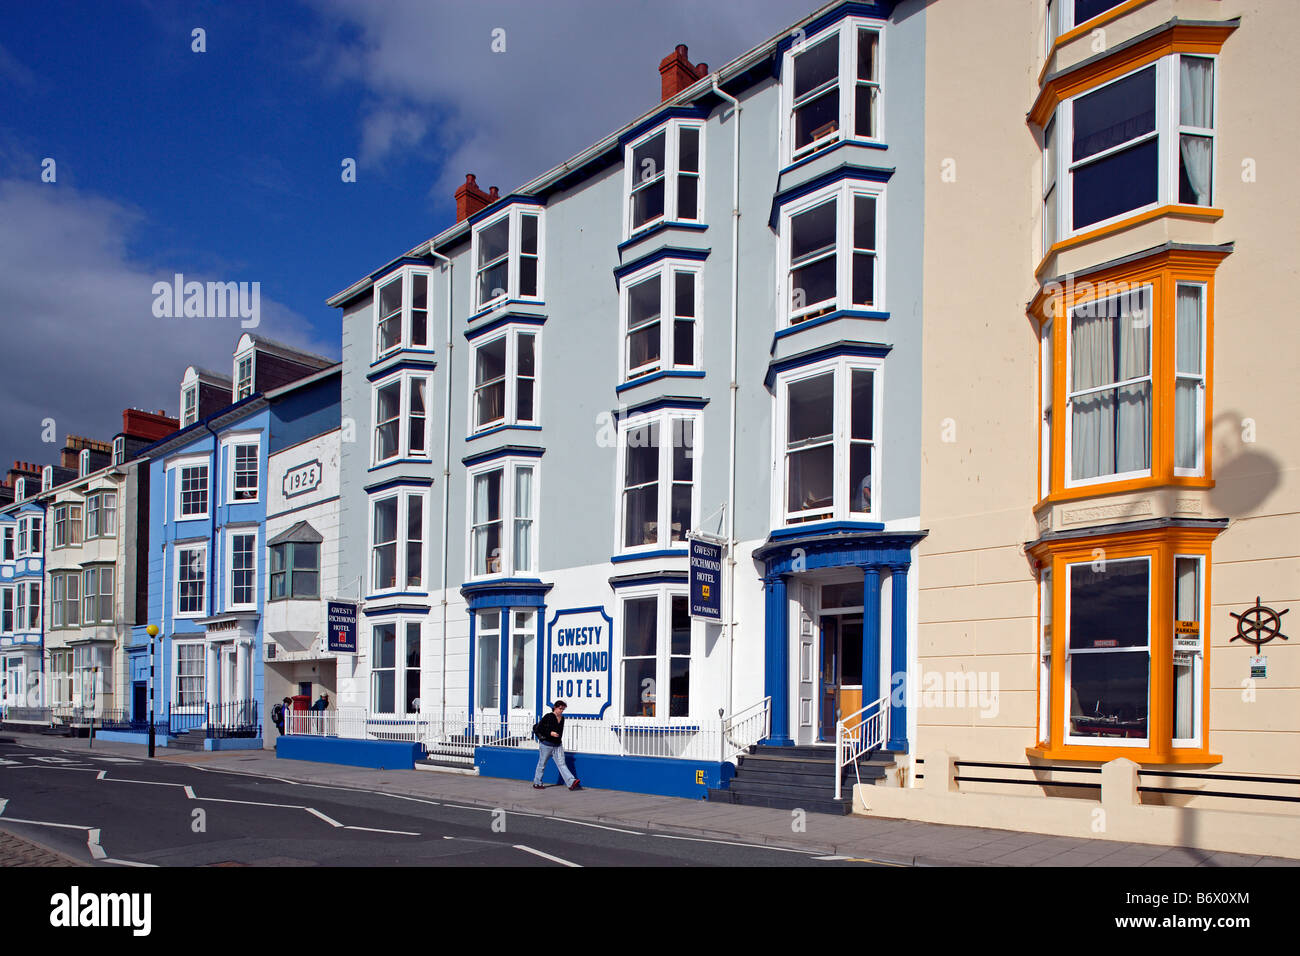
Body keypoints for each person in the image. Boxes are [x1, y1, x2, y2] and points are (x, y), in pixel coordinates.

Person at [532, 701, 581, 791]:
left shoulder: (562, 719)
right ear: (555, 707)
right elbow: (540, 728)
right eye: (560, 708)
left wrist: (558, 740)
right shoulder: (548, 716)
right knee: (542, 764)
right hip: (546, 745)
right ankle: (537, 783)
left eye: (563, 709)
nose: (561, 711)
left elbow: (560, 732)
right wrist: (550, 733)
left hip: (557, 745)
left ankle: (571, 782)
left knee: (562, 764)